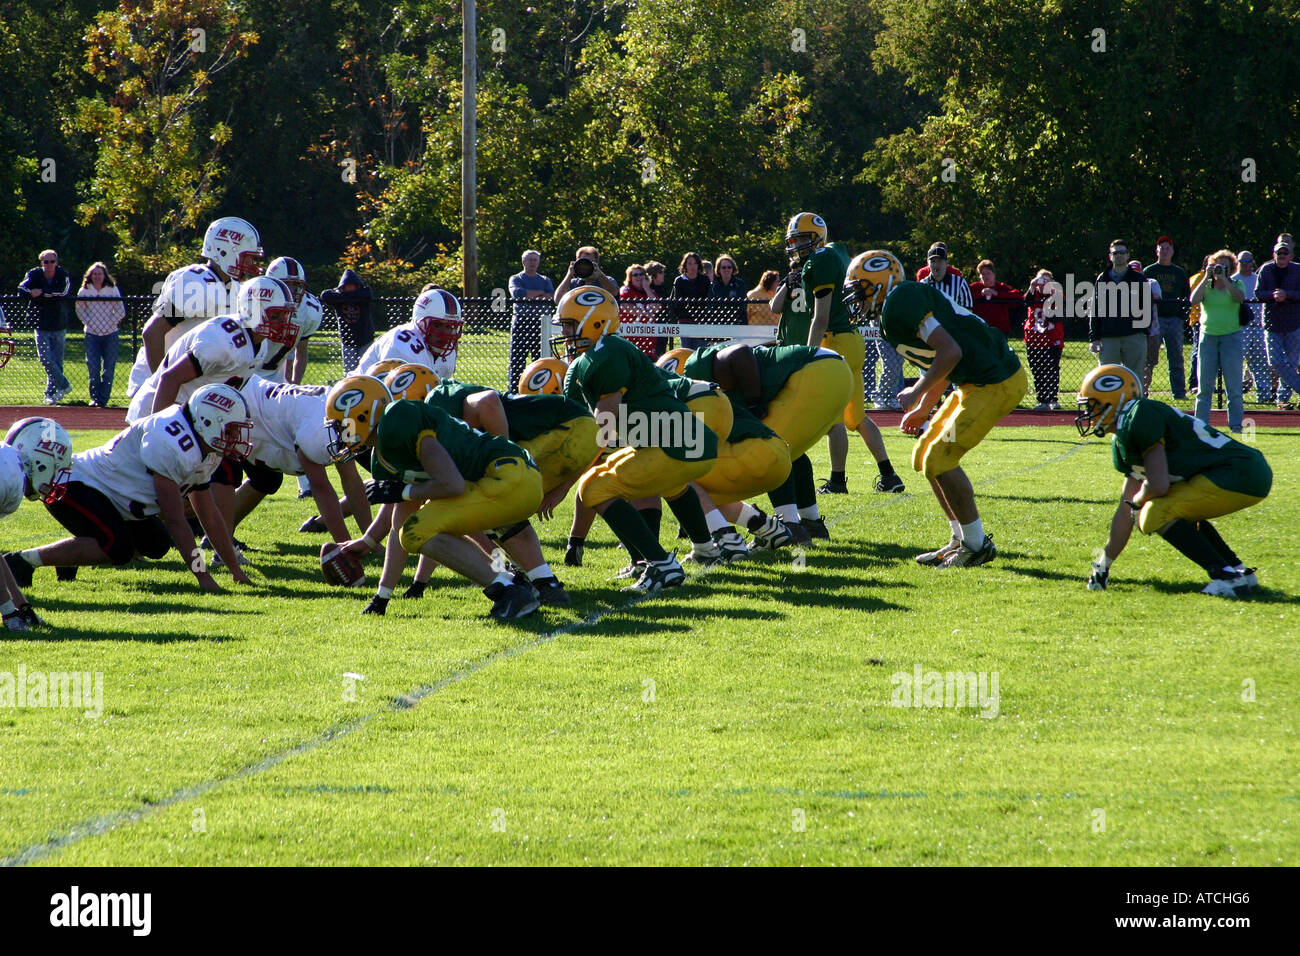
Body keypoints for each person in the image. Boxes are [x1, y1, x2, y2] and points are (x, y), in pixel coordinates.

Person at [845, 250, 1028, 568]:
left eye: (860, 290)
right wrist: (923, 408)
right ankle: (960, 539)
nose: (856, 299)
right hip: (971, 382)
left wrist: (916, 392)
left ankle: (976, 545)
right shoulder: (894, 313)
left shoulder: (901, 301)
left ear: (881, 284)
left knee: (940, 458)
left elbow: (951, 352)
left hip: (995, 380)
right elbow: (942, 363)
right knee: (925, 455)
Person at [327, 377, 546, 621]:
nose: (338, 434)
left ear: (361, 414)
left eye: (339, 424)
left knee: (418, 531)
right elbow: (400, 522)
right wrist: (382, 596)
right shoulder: (384, 455)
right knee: (414, 529)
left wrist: (403, 491)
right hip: (509, 479)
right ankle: (514, 584)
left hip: (508, 475)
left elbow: (452, 484)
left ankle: (508, 590)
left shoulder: (397, 421)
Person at [5, 385, 254, 592]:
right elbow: (176, 519)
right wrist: (204, 577)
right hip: (75, 484)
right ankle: (23, 560)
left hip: (116, 497)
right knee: (118, 548)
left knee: (156, 544)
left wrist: (235, 571)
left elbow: (208, 515)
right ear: (208, 421)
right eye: (231, 429)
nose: (235, 438)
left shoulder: (205, 449)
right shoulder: (171, 444)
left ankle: (72, 555)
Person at [556, 287, 717, 593]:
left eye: (569, 324)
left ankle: (660, 564)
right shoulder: (605, 352)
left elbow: (603, 429)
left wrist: (563, 487)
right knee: (664, 483)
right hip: (687, 442)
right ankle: (705, 549)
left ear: (594, 322)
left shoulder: (606, 354)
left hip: (676, 443)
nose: (565, 332)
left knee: (593, 486)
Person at [1078, 364, 1269, 598]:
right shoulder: (1124, 436)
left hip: (1237, 472)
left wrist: (1138, 502)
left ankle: (1226, 577)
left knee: (1153, 513)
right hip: (1243, 471)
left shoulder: (1137, 416)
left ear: (1114, 401)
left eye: (1092, 405)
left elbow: (1157, 486)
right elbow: (1124, 510)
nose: (1088, 414)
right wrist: (1103, 563)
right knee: (1168, 508)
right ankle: (1237, 571)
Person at [769, 219, 903, 497]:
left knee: (833, 421)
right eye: (793, 239)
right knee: (856, 418)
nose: (795, 245)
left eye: (801, 238)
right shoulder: (828, 256)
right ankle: (889, 475)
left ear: (816, 238)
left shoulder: (821, 261)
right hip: (849, 341)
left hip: (836, 341)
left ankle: (838, 481)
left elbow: (821, 318)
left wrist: (808, 356)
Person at [126, 217, 263, 399]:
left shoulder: (236, 288)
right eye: (247, 257)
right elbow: (152, 333)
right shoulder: (197, 283)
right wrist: (162, 384)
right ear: (225, 252)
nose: (251, 264)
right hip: (159, 381)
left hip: (187, 384)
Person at [1, 417, 73, 629]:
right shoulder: (9, 477)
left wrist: (21, 607)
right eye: (56, 467)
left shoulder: (7, 462)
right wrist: (9, 614)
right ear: (43, 459)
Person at [1189, 250, 1246, 433]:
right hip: (1208, 338)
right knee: (1204, 387)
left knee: (1234, 387)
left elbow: (1239, 297)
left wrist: (1225, 280)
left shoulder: (1237, 283)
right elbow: (1193, 300)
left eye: (1225, 267)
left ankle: (1236, 425)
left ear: (1231, 269)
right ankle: (1201, 425)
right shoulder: (1206, 286)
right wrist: (1207, 276)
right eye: (1217, 266)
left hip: (1231, 338)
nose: (1220, 269)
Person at [356, 287, 462, 381]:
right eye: (437, 325)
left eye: (449, 326)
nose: (444, 333)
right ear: (420, 322)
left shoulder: (448, 352)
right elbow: (390, 391)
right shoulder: (401, 343)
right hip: (359, 394)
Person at [18, 250, 72, 405]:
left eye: (52, 262)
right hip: (40, 324)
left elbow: (63, 292)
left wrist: (41, 292)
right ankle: (64, 385)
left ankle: (52, 393)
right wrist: (35, 293)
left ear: (57, 262)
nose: (49, 265)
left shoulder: (63, 274)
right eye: (45, 262)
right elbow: (22, 289)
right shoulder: (34, 274)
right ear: (41, 263)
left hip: (58, 323)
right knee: (45, 358)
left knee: (57, 361)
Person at [1087, 239, 1149, 371]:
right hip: (1108, 338)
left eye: (1122, 252)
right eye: (1115, 253)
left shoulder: (1138, 279)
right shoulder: (1102, 279)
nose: (1119, 256)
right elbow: (1095, 309)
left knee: (1135, 379)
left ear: (1128, 255)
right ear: (1110, 256)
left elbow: (1147, 307)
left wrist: (1143, 333)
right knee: (1108, 377)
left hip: (1134, 337)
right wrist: (1095, 338)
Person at [1255, 239, 1300, 409]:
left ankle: (1283, 398)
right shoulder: (1266, 270)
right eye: (1278, 253)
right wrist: (1273, 295)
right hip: (1272, 323)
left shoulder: (1297, 270)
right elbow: (1258, 293)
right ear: (1273, 255)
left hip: (1293, 322)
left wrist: (1286, 294)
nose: (1281, 256)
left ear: (1291, 256)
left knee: (1291, 362)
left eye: (1285, 253)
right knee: (1274, 361)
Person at [1143, 236, 1191, 400]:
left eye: (1167, 248)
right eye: (1161, 248)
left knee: (1176, 356)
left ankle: (1179, 392)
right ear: (1157, 251)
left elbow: (1187, 296)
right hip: (1154, 320)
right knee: (1149, 357)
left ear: (1172, 251)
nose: (1164, 251)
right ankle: (1143, 390)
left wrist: (1181, 315)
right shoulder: (1149, 271)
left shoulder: (1179, 272)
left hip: (1174, 319)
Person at [75, 262, 127, 408]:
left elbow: (120, 310)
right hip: (91, 334)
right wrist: (90, 323)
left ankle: (104, 399)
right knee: (93, 366)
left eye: (100, 274)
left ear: (105, 275)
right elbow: (80, 310)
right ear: (90, 275)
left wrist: (110, 324)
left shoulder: (112, 290)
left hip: (110, 333)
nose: (97, 276)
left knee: (108, 368)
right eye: (95, 274)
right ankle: (95, 397)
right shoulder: (85, 291)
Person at [506, 250, 555, 393]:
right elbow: (518, 294)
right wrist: (540, 293)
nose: (533, 263)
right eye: (530, 260)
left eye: (535, 260)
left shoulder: (545, 280)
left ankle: (538, 389)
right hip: (521, 323)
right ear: (523, 262)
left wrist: (531, 295)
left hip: (541, 324)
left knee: (540, 360)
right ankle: (513, 391)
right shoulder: (516, 278)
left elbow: (550, 297)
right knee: (517, 360)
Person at [1232, 251, 1272, 404]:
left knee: (1261, 362)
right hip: (1240, 327)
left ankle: (1264, 395)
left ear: (1252, 262)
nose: (1245, 264)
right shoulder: (1233, 280)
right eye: (1242, 261)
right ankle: (1234, 394)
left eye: (1248, 261)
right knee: (1236, 362)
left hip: (1258, 326)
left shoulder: (1258, 279)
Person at [1023, 269, 1064, 411]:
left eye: (1046, 281)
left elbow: (1059, 315)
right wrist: (1032, 287)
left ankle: (1053, 399)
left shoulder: (1057, 295)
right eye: (1041, 280)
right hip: (1034, 338)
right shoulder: (1033, 294)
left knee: (1052, 369)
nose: (1043, 284)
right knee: (1037, 369)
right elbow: (1026, 302)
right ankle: (1042, 399)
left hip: (1052, 338)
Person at [670, 252, 712, 350]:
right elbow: (678, 302)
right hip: (685, 321)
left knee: (700, 350)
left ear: (698, 265)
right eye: (689, 263)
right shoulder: (679, 280)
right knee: (686, 350)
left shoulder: (704, 279)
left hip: (701, 321)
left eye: (695, 263)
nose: (692, 266)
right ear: (685, 265)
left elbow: (707, 299)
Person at [968, 259, 1020, 336]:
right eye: (983, 274)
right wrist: (981, 294)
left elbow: (1018, 295)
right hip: (980, 328)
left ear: (994, 274)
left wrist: (996, 294)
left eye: (988, 273)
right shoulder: (975, 287)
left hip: (1000, 330)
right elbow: (964, 296)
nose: (986, 276)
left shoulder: (1001, 287)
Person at [619, 264, 662, 359]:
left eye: (641, 274)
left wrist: (647, 288)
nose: (639, 277)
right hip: (631, 336)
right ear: (630, 278)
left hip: (649, 338)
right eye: (635, 275)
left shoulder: (651, 292)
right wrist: (646, 314)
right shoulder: (626, 290)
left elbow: (657, 307)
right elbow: (625, 306)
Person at [553, 245, 619, 303]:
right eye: (581, 263)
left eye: (588, 263)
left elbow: (614, 293)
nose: (584, 267)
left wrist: (601, 276)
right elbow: (558, 300)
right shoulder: (573, 283)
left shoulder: (608, 280)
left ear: (596, 264)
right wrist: (569, 275)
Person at [919, 243, 973, 309]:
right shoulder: (923, 284)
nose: (936, 265)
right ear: (928, 263)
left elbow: (968, 311)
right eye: (933, 261)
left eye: (939, 261)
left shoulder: (959, 283)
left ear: (946, 263)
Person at [710, 254, 746, 326]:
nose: (726, 269)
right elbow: (711, 306)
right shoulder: (713, 286)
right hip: (718, 323)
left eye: (729, 267)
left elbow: (743, 306)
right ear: (719, 269)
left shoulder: (740, 284)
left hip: (737, 323)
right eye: (723, 267)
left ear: (733, 269)